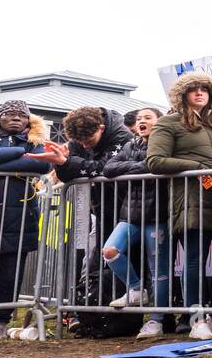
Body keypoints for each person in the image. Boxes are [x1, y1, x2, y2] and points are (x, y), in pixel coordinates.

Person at [145, 71, 212, 339]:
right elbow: (155, 161)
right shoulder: (169, 123)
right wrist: (197, 168)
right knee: (195, 260)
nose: (200, 93)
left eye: (204, 89)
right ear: (183, 95)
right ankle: (195, 318)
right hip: (190, 200)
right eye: (193, 89)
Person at [29, 105, 134, 308]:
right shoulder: (77, 139)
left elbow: (106, 169)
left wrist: (68, 161)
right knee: (98, 256)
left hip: (128, 204)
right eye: (80, 142)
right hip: (100, 205)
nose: (85, 146)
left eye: (89, 141)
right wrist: (62, 163)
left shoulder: (122, 135)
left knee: (121, 252)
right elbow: (69, 174)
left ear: (101, 128)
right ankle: (93, 305)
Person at [101, 106, 170, 338]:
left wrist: (136, 168)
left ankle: (156, 320)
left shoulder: (165, 141)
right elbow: (109, 168)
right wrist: (138, 168)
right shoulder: (131, 145)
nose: (142, 121)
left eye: (148, 118)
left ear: (159, 122)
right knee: (110, 251)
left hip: (158, 215)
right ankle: (135, 288)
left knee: (158, 271)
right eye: (139, 118)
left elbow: (157, 164)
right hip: (130, 214)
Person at [0, 101, 50, 318]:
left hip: (19, 217)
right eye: (10, 114)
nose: (17, 118)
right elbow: (29, 161)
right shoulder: (25, 146)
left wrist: (9, 154)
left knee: (11, 273)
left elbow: (42, 165)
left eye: (22, 115)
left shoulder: (35, 140)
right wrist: (20, 154)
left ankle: (1, 320)